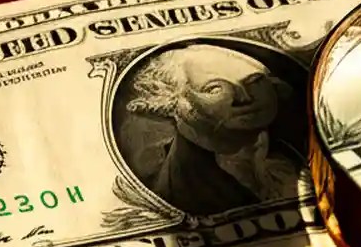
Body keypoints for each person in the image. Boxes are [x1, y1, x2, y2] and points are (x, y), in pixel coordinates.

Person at [125, 43, 302, 215]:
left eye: (254, 81)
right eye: (215, 89)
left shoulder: (293, 150)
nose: (243, 97)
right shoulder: (182, 190)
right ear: (173, 102)